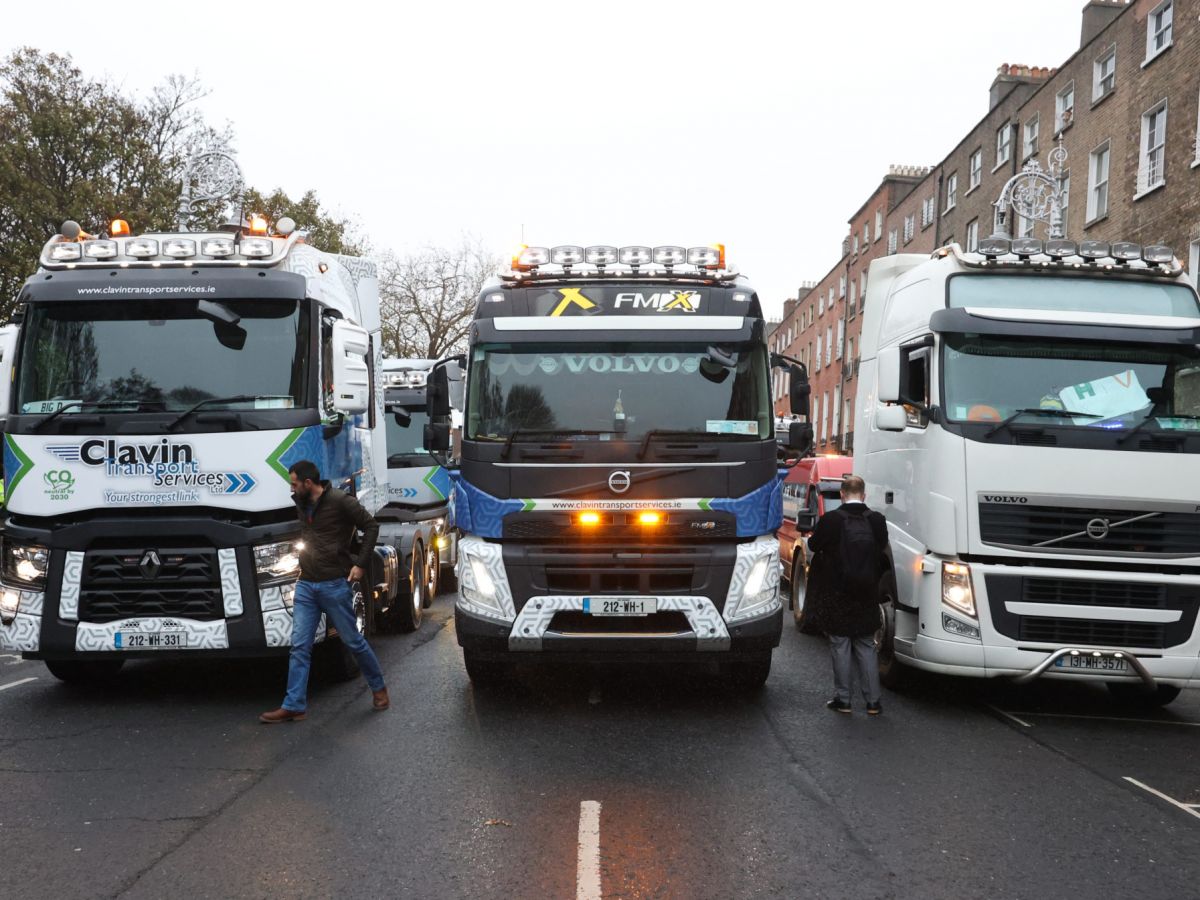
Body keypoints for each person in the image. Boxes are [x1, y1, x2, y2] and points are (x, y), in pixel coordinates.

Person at [260, 460, 389, 723]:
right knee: (299, 646)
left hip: (334, 584)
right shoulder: (302, 501)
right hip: (306, 584)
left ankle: (379, 688)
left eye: (294, 484)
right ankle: (294, 705)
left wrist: (361, 564)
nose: (291, 489)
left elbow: (371, 526)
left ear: (309, 483)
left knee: (353, 641)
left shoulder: (341, 501)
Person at [806, 474, 889, 716]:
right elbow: (881, 547)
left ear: (842, 494)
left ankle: (843, 700)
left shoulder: (831, 520)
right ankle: (873, 702)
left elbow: (813, 546)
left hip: (837, 591)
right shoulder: (877, 521)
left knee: (840, 644)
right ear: (864, 495)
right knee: (866, 645)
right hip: (867, 591)